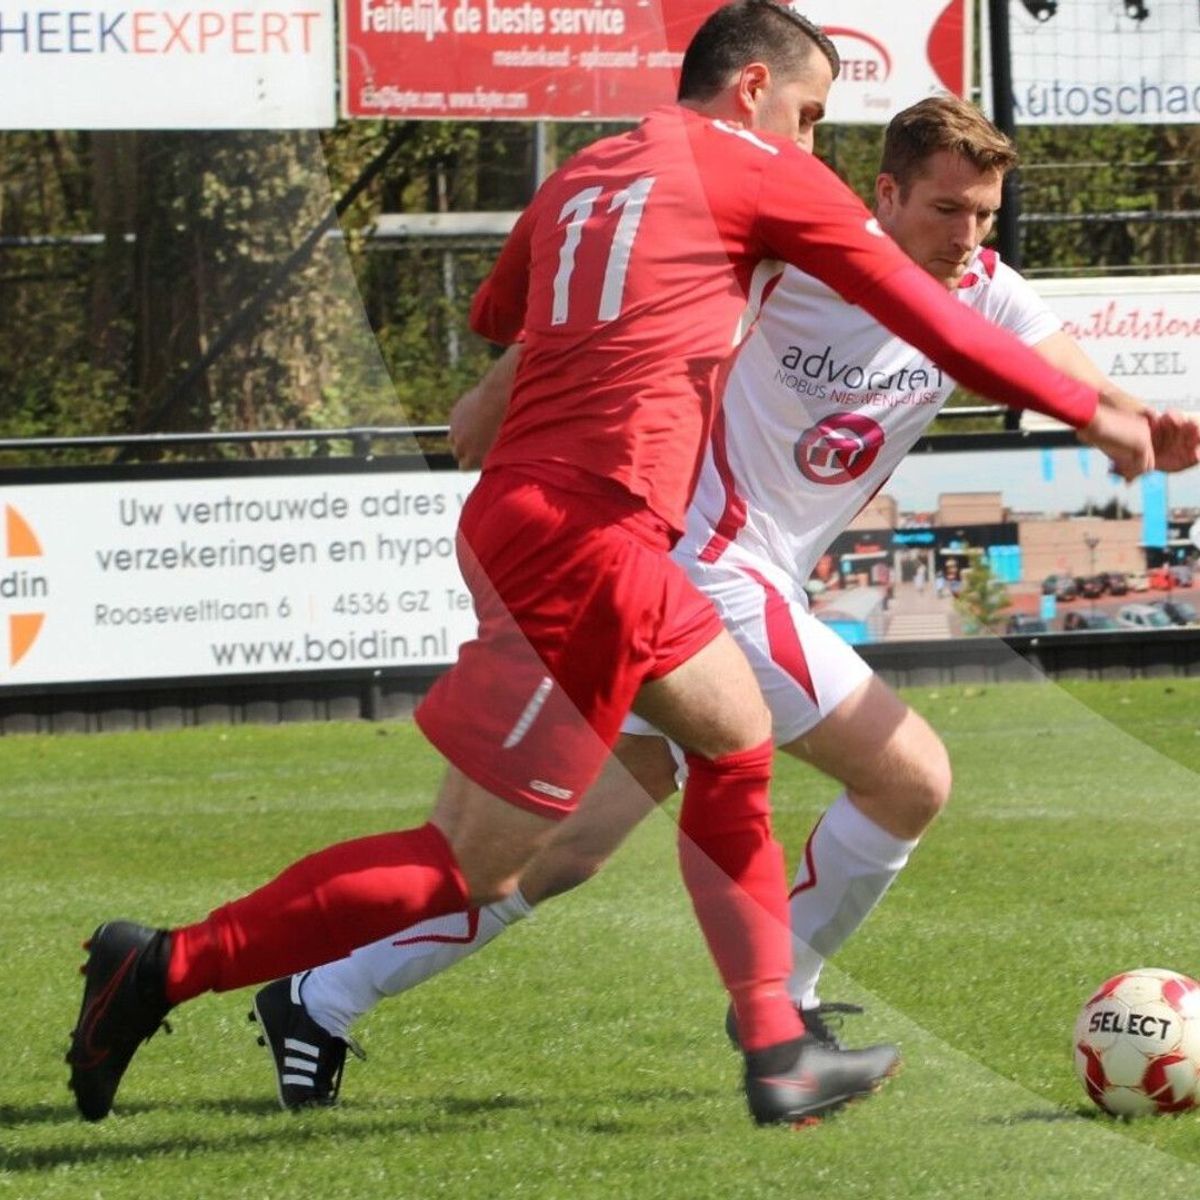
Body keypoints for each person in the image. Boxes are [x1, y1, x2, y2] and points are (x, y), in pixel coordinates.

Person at [68, 6, 1159, 1130]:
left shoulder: (589, 172)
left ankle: (304, 992)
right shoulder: (766, 183)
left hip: (583, 536)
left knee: (573, 835)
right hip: (628, 544)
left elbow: (515, 327)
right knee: (858, 780)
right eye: (807, 113)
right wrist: (1092, 414)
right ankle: (771, 1029)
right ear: (751, 90)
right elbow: (935, 327)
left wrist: (497, 402)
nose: (807, 140)